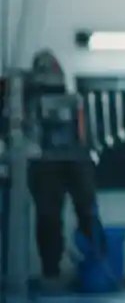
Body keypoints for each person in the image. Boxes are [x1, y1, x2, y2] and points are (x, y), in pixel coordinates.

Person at [24, 49, 105, 290]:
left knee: (86, 214)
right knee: (50, 219)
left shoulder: (75, 101)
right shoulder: (30, 103)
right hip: (46, 162)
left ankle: (95, 269)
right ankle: (54, 273)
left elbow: (85, 135)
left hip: (70, 160)